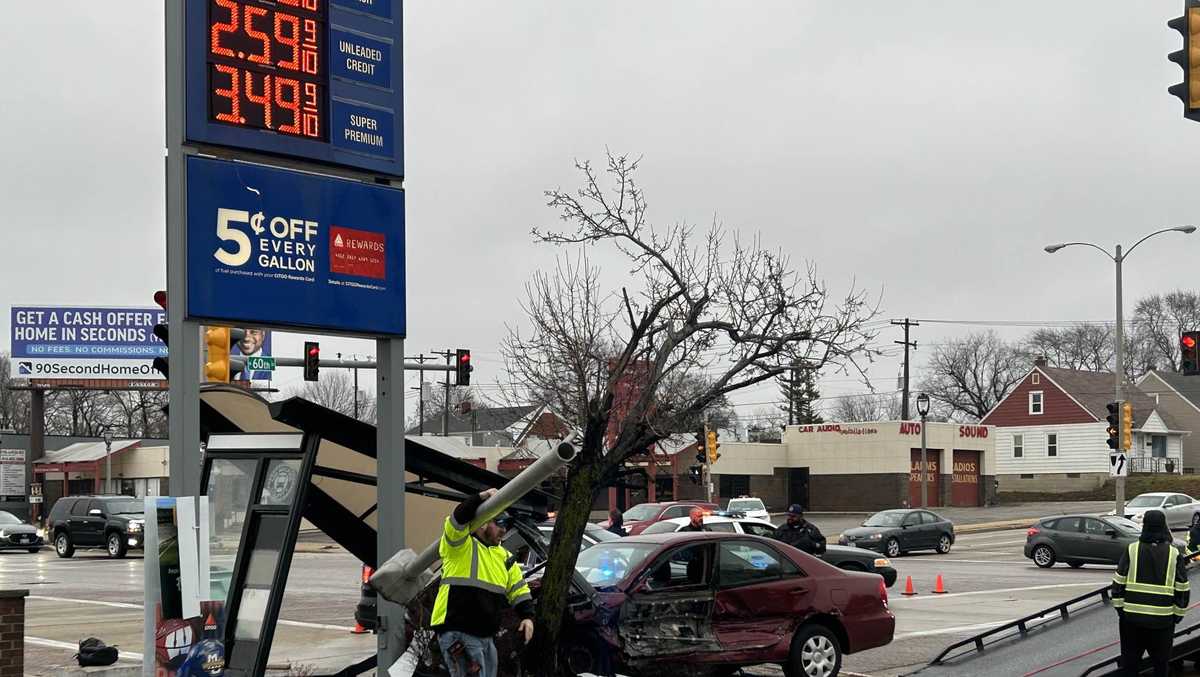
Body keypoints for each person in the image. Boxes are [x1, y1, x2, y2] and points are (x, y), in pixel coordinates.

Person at [431, 488, 534, 677]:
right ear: (483, 523)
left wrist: (527, 616)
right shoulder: (460, 546)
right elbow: (458, 519)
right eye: (500, 523)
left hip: (484, 636)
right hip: (458, 631)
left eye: (507, 524)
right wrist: (481, 497)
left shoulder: (504, 557)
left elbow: (519, 589)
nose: (504, 529)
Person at [1112, 509, 1189, 677]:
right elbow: (1183, 588)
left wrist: (1122, 612)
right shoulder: (1173, 553)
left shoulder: (1131, 549)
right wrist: (1176, 616)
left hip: (1132, 622)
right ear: (1163, 526)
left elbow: (1117, 584)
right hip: (1162, 623)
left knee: (1130, 667)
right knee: (1160, 667)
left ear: (1145, 525)